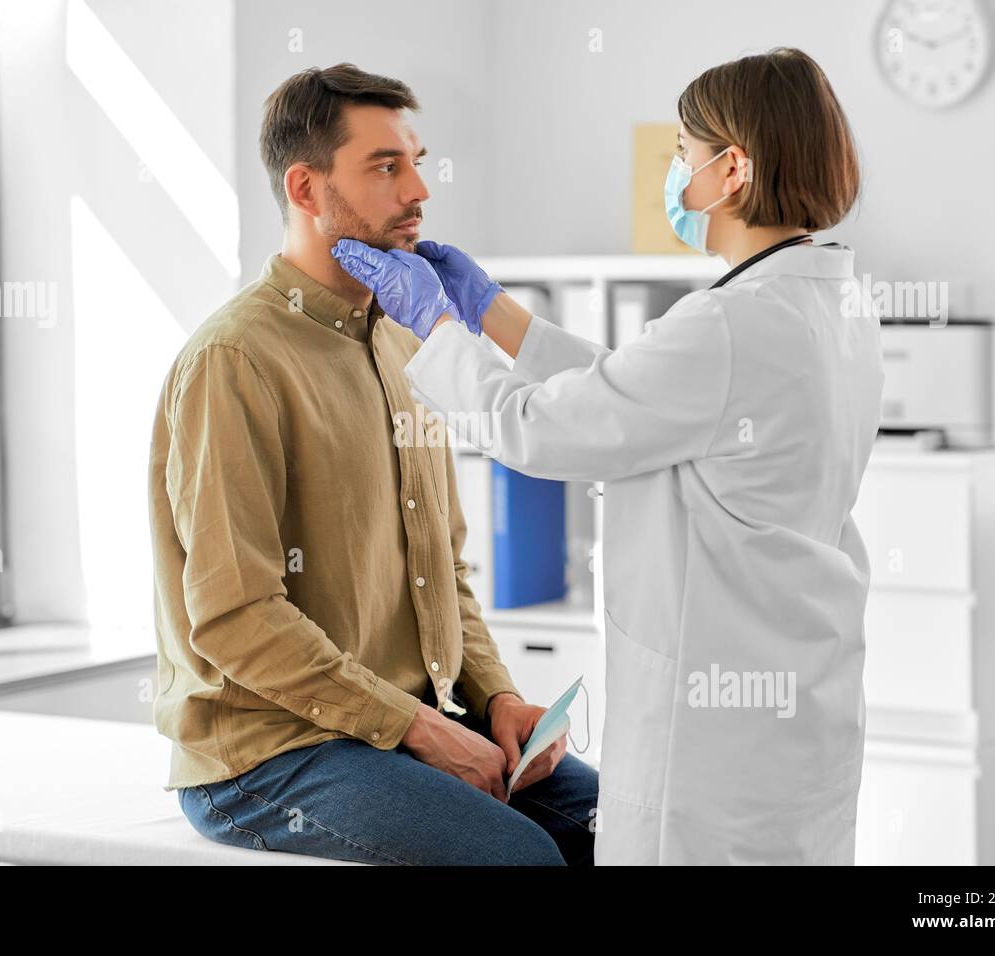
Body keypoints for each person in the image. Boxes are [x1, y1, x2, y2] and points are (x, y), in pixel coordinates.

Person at [333, 47, 884, 865]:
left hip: (714, 743)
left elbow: (540, 427)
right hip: (796, 704)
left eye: (684, 154)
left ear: (732, 169)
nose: (676, 173)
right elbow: (636, 401)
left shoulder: (731, 325)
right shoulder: (831, 301)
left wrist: (438, 328)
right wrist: (492, 314)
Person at [149, 63, 598, 866]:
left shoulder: (406, 346)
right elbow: (234, 616)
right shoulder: (234, 360)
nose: (418, 190)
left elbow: (442, 569)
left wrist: (495, 697)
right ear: (306, 187)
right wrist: (423, 731)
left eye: (417, 162)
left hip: (393, 728)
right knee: (520, 859)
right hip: (272, 755)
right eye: (387, 167)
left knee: (635, 829)